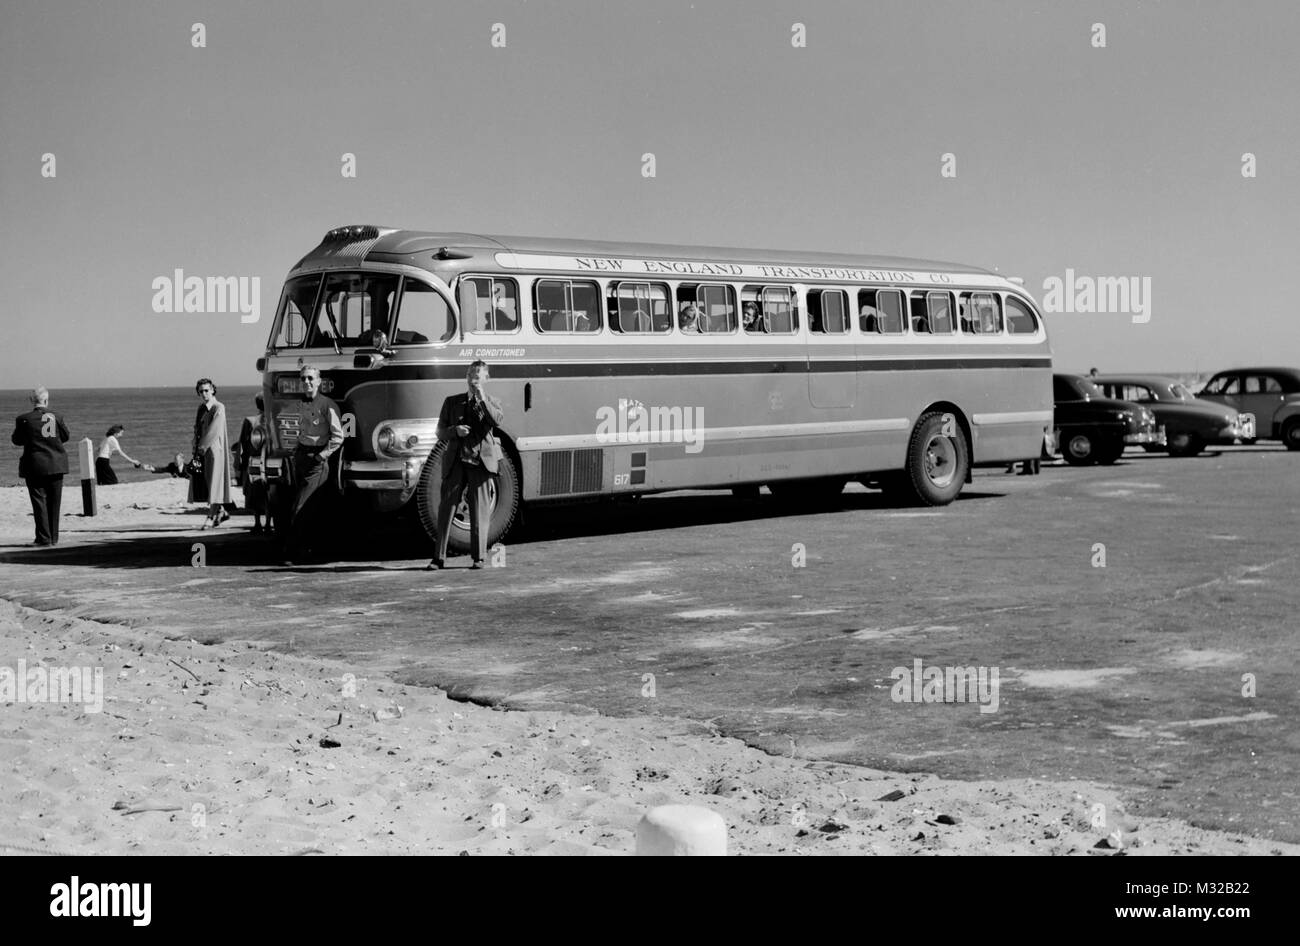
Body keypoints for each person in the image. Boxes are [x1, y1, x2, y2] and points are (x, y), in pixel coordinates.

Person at [429, 360, 504, 570]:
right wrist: (455, 431)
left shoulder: (493, 402)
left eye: (478, 377)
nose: (473, 380)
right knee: (446, 508)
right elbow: (439, 432)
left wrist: (481, 400)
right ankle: (438, 558)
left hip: (481, 461)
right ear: (466, 377)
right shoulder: (452, 402)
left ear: (486, 379)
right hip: (456, 461)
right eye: (471, 376)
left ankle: (479, 557)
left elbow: (496, 421)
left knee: (480, 510)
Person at [284, 365, 344, 564]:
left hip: (317, 462)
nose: (307, 382)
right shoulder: (300, 404)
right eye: (303, 379)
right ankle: (307, 550)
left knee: (301, 507)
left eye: (310, 378)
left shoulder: (327, 405)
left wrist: (322, 456)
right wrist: (295, 452)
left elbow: (338, 436)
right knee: (305, 507)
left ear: (319, 381)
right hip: (301, 458)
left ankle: (293, 553)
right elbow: (297, 430)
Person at [11, 386, 70, 547]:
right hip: (56, 463)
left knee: (39, 501)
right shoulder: (57, 416)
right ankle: (53, 538)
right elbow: (65, 437)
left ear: (32, 400)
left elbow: (16, 440)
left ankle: (43, 538)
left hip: (35, 464)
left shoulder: (24, 419)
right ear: (46, 400)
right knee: (54, 502)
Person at [189, 378, 233, 529]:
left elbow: (214, 431)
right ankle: (221, 511)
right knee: (208, 483)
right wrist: (195, 447)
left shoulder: (219, 407)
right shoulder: (201, 408)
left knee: (215, 483)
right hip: (202, 450)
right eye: (201, 391)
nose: (204, 394)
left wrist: (201, 448)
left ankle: (211, 516)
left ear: (213, 390)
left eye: (206, 390)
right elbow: (197, 429)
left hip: (214, 451)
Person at [238, 394, 272, 534]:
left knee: (255, 494)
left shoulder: (250, 421)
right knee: (268, 494)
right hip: (271, 460)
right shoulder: (273, 420)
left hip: (254, 461)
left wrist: (241, 464)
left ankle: (257, 523)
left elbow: (243, 444)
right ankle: (269, 524)